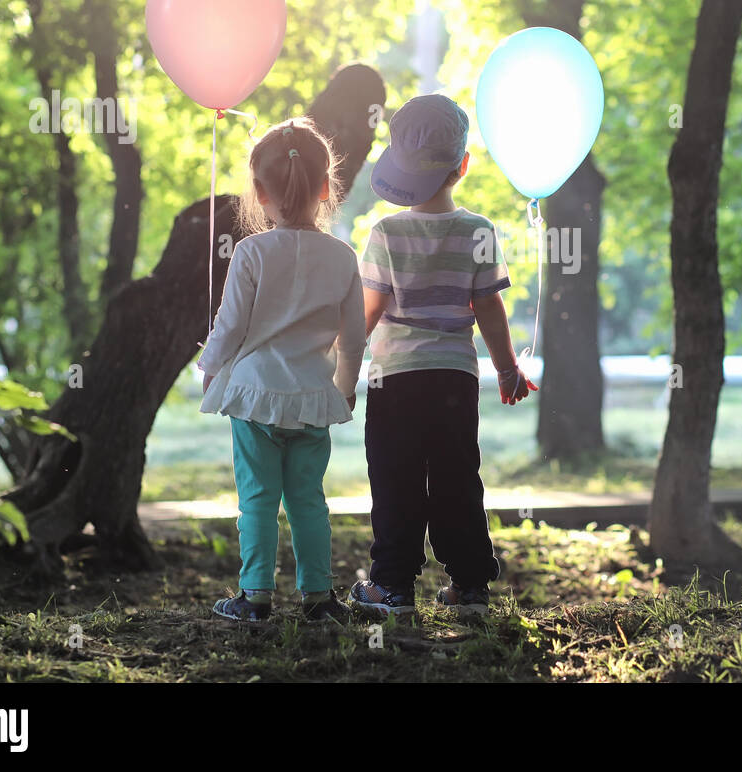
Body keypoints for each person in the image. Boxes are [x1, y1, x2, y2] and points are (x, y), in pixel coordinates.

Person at [350, 94, 536, 619]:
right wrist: (507, 368)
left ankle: (393, 588)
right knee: (458, 477)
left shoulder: (386, 233)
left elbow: (368, 311)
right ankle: (471, 588)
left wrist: (344, 368)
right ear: (463, 166)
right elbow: (488, 307)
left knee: (394, 480)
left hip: (394, 382)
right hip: (454, 380)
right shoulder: (478, 230)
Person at [198, 118, 366, 623]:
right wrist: (345, 388)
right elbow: (353, 337)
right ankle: (319, 598)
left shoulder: (250, 252)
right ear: (324, 187)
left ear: (258, 190)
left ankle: (255, 598)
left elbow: (229, 326)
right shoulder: (342, 257)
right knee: (308, 502)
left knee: (257, 500)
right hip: (312, 399)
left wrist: (210, 369)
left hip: (254, 397)